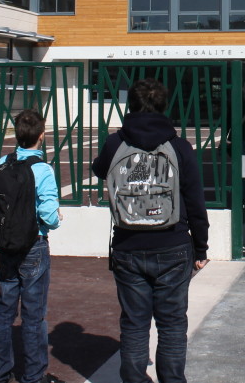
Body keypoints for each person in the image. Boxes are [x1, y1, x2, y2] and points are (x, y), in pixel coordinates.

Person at [92, 78, 209, 383]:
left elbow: (99, 169)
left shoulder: (115, 142)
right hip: (173, 244)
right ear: (163, 106)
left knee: (134, 324)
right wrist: (201, 247)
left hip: (128, 245)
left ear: (130, 105)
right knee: (171, 324)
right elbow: (195, 199)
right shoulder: (179, 146)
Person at [0, 109, 64, 383]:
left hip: (7, 245)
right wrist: (57, 220)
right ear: (42, 136)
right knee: (33, 315)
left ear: (16, 135)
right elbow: (49, 215)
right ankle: (33, 375)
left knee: (4, 311)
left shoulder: (4, 161)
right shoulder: (43, 169)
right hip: (33, 245)